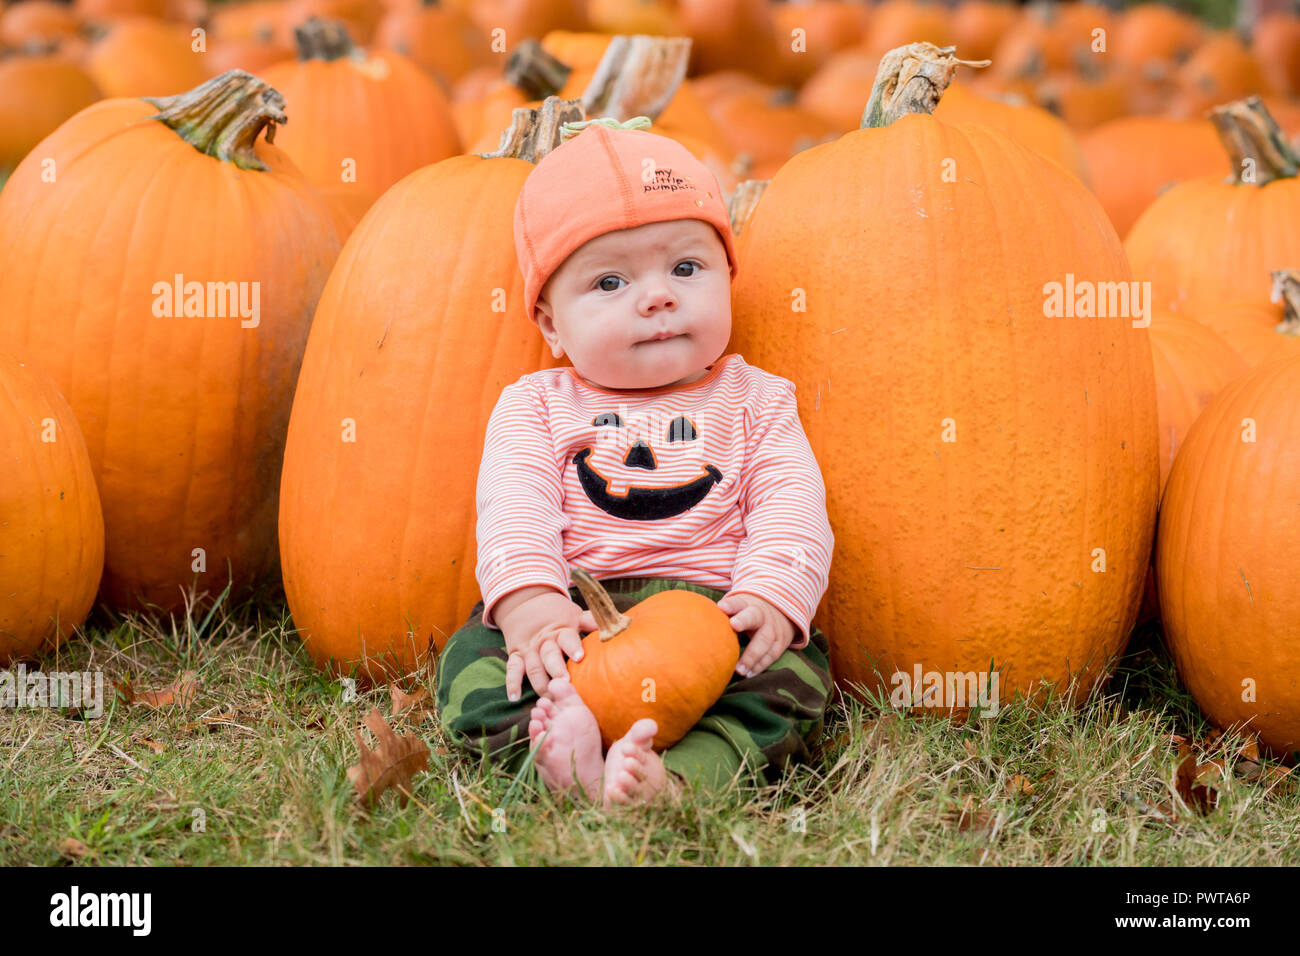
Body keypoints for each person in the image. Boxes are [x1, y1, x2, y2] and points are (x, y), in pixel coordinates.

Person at [434, 116, 834, 807]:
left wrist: (772, 592)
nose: (657, 296)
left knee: (792, 682)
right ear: (552, 325)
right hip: (581, 612)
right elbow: (514, 505)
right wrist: (531, 601)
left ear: (727, 278)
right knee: (472, 666)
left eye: (686, 268)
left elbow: (791, 502)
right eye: (611, 282)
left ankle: (681, 780)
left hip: (715, 619)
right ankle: (564, 757)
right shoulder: (536, 405)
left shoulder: (758, 399)